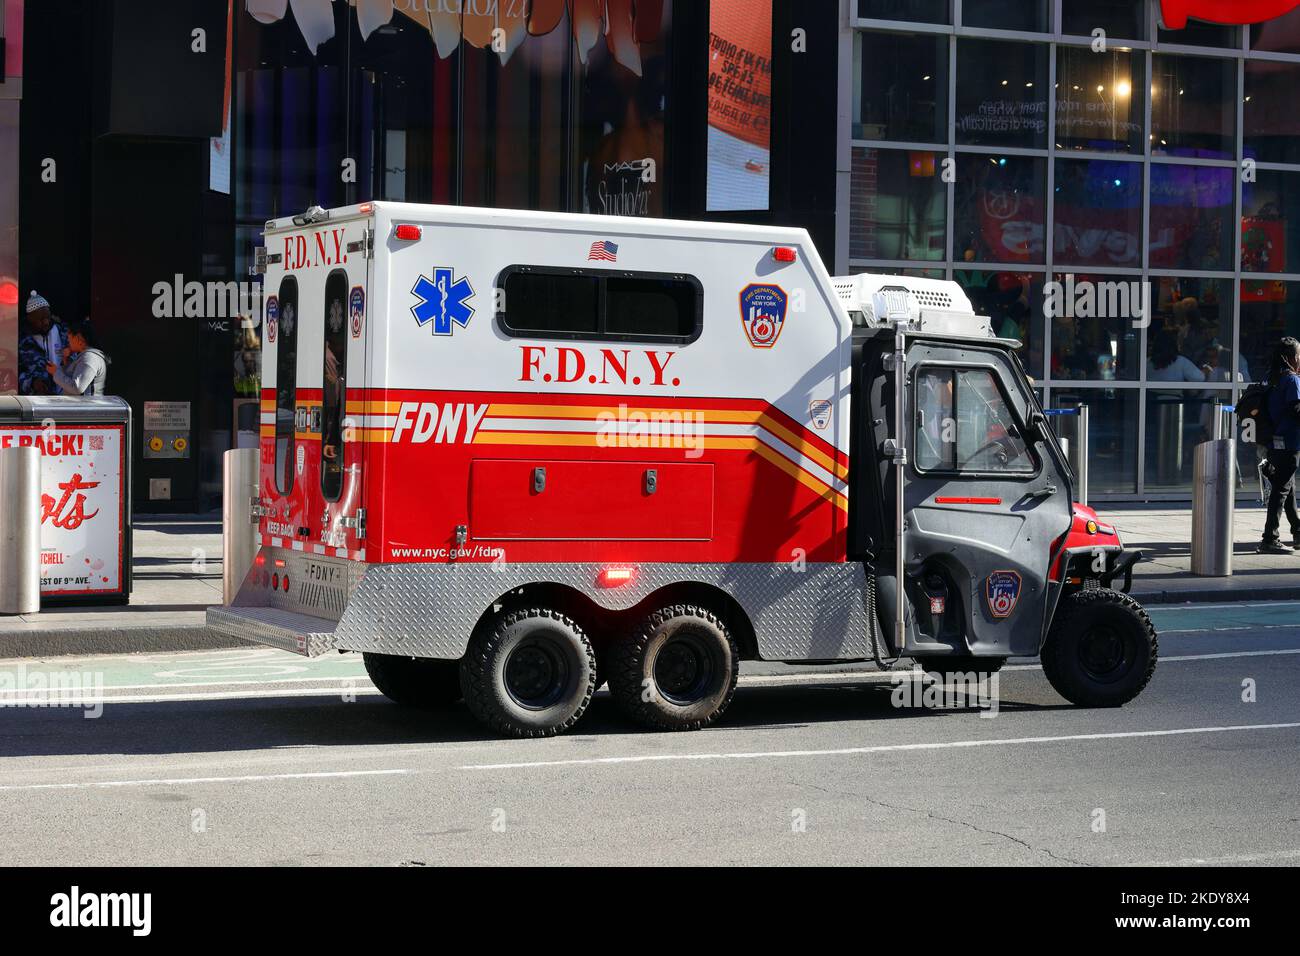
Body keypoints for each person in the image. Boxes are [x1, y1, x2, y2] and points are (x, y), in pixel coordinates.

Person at [1260, 337, 1300, 554]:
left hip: (1274, 441)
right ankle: (1269, 538)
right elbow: (1296, 408)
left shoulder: (1270, 378)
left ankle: (1298, 530)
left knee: (1287, 487)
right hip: (1291, 440)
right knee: (1281, 489)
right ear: (1293, 358)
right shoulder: (1292, 380)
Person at [18, 291, 68, 395]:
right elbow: (14, 372)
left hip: (65, 396)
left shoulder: (63, 332)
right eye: (40, 319)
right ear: (29, 319)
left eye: (48, 318)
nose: (46, 322)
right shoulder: (21, 340)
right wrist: (32, 383)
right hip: (36, 401)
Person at [47, 318, 109, 396]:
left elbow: (77, 388)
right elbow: (70, 379)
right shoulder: (84, 356)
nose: (68, 342)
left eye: (69, 339)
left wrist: (55, 372)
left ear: (78, 338)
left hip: (88, 407)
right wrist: (66, 360)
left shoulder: (90, 357)